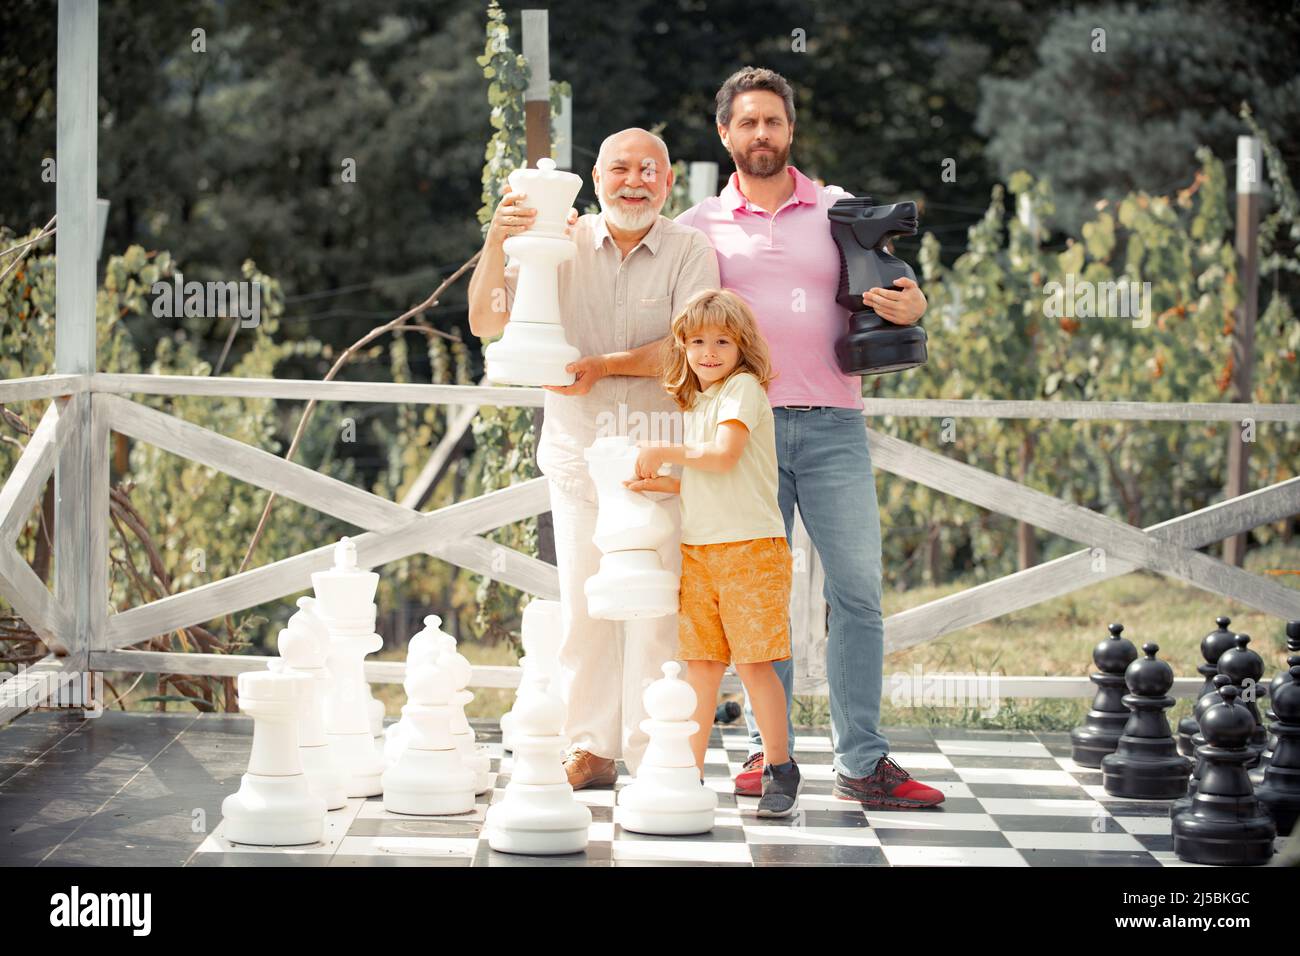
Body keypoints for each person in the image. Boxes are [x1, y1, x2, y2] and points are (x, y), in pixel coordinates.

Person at [676, 66, 944, 808]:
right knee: (763, 605)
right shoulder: (698, 227)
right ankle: (772, 755)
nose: (761, 133)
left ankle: (864, 763)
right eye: (747, 122)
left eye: (774, 121)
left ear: (790, 130)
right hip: (744, 438)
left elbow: (889, 282)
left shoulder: (835, 209)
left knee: (858, 597)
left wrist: (913, 299)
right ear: (725, 134)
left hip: (833, 428)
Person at [468, 128, 720, 788]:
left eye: (649, 170)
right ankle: (591, 746)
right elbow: (486, 321)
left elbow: (693, 347)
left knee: (657, 608)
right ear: (597, 177)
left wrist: (604, 365)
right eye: (619, 169)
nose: (634, 181)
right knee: (584, 606)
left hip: (659, 460)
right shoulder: (562, 244)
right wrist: (498, 239)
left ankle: (655, 747)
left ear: (668, 184)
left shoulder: (692, 251)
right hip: (579, 457)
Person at [624, 288, 799, 817]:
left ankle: (780, 768)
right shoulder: (697, 401)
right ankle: (687, 777)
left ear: (742, 347)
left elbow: (723, 458)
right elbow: (707, 482)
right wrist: (663, 485)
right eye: (697, 341)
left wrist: (662, 451)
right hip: (700, 551)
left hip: (750, 549)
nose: (709, 351)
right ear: (681, 345)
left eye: (722, 341)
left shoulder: (742, 389)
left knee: (753, 666)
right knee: (699, 667)